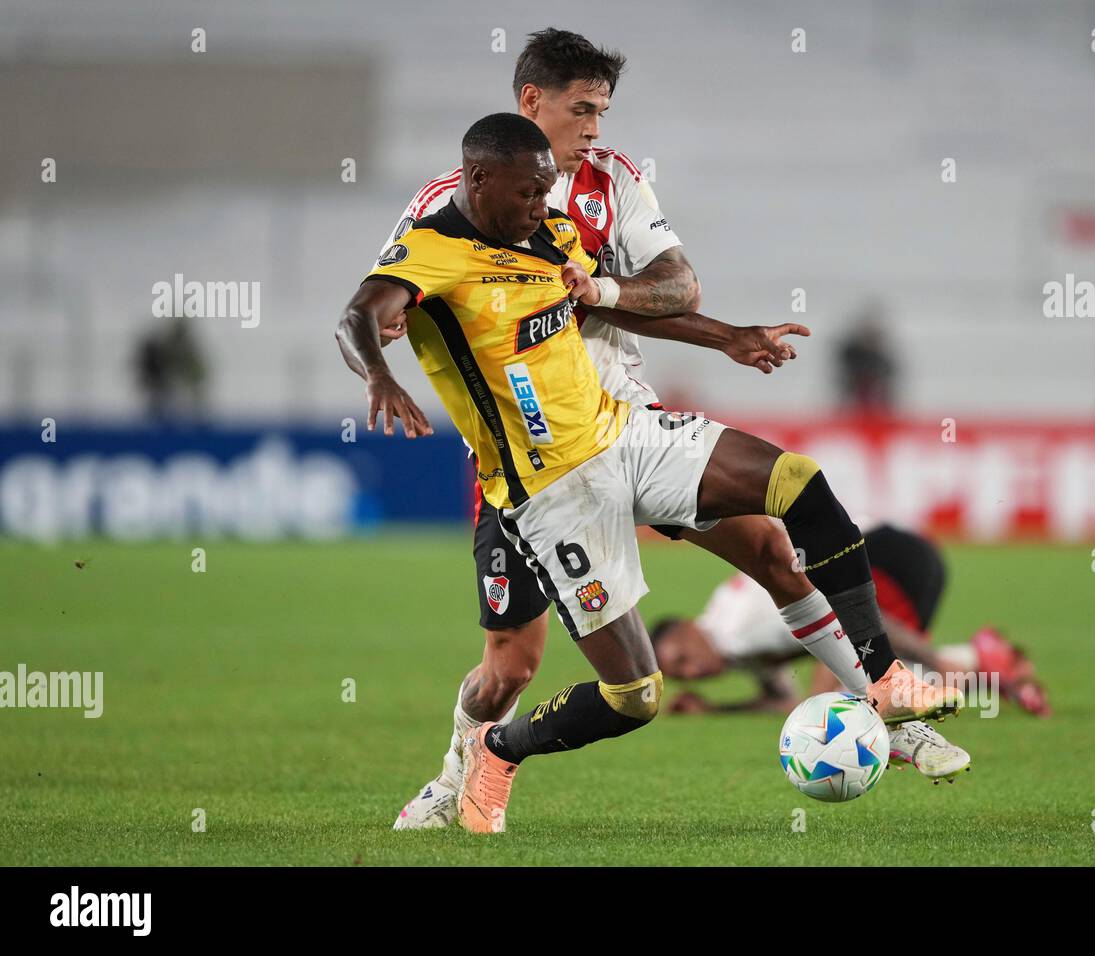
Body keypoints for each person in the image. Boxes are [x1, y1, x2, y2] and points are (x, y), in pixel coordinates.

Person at [374, 29, 971, 830]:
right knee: (512, 664)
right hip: (533, 466)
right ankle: (459, 772)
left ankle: (881, 697)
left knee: (770, 547)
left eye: (603, 111)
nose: (594, 127)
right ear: (530, 102)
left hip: (628, 423)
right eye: (582, 110)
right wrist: (381, 358)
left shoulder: (611, 183)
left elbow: (676, 282)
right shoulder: (453, 205)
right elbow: (389, 296)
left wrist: (630, 300)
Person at [651, 523, 1050, 760]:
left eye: (683, 657)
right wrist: (716, 709)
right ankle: (990, 666)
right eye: (682, 674)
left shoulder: (740, 631)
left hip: (885, 557)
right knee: (870, 688)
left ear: (689, 628)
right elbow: (784, 703)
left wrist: (822, 715)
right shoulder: (729, 638)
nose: (693, 672)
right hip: (888, 551)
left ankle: (976, 663)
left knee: (866, 689)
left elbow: (841, 615)